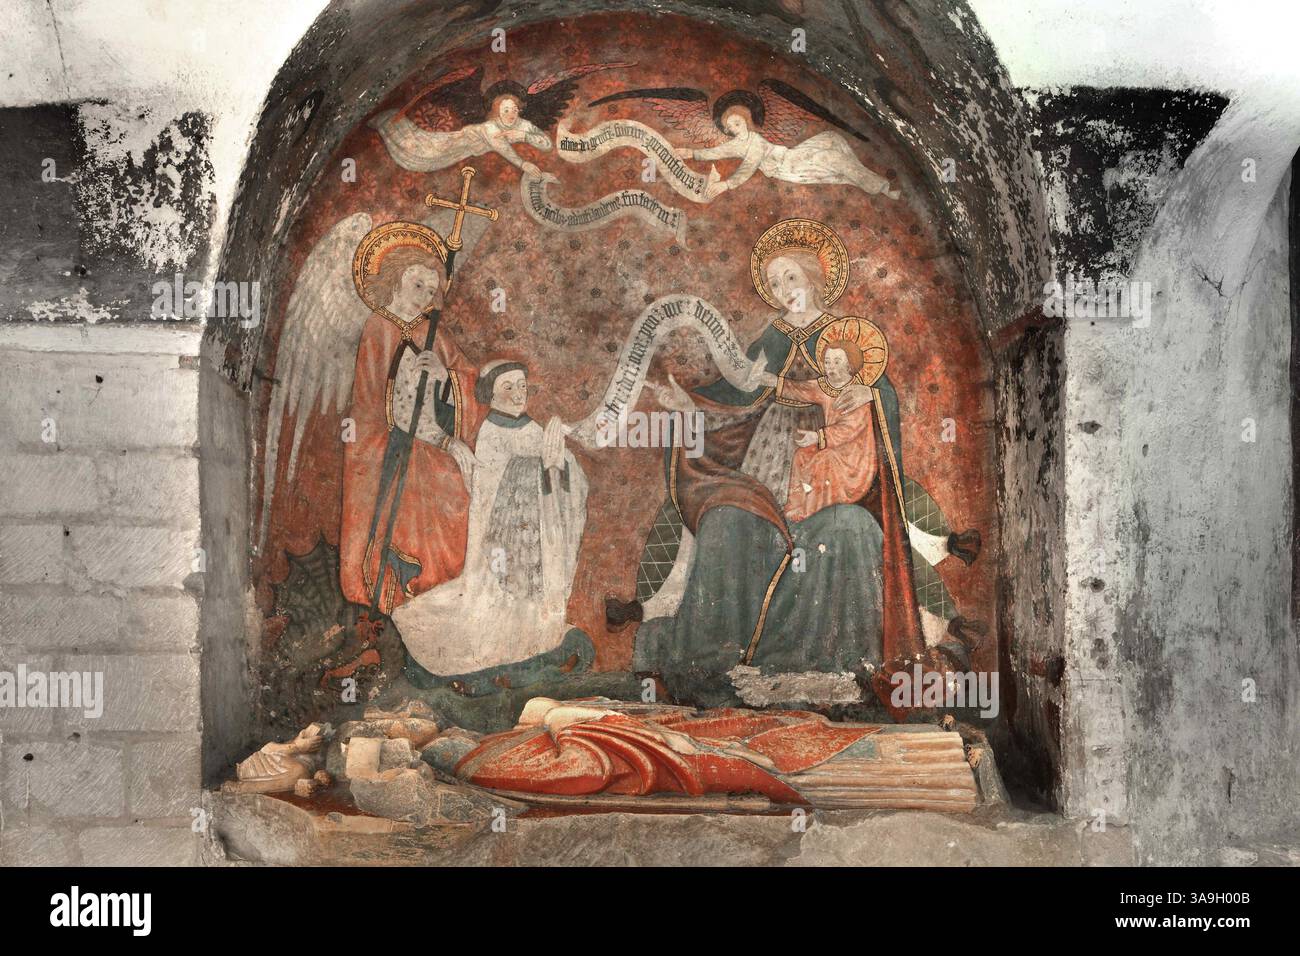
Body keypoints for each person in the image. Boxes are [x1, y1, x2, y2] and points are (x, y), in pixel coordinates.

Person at [391, 359, 589, 677]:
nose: (517, 394)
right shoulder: (492, 432)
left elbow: (560, 471)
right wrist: (544, 464)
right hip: (501, 536)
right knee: (499, 602)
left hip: (532, 532)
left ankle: (532, 641)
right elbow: (494, 485)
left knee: (531, 599)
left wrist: (560, 463)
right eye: (507, 387)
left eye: (522, 386)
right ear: (492, 395)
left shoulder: (531, 427)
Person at [339, 243, 483, 615]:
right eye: (418, 286)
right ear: (398, 281)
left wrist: (444, 376)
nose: (425, 299)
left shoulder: (432, 332)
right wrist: (444, 442)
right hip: (387, 445)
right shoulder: (378, 328)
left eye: (432, 292)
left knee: (458, 487)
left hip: (430, 438)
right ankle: (400, 589)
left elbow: (472, 382)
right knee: (440, 479)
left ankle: (442, 590)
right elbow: (376, 401)